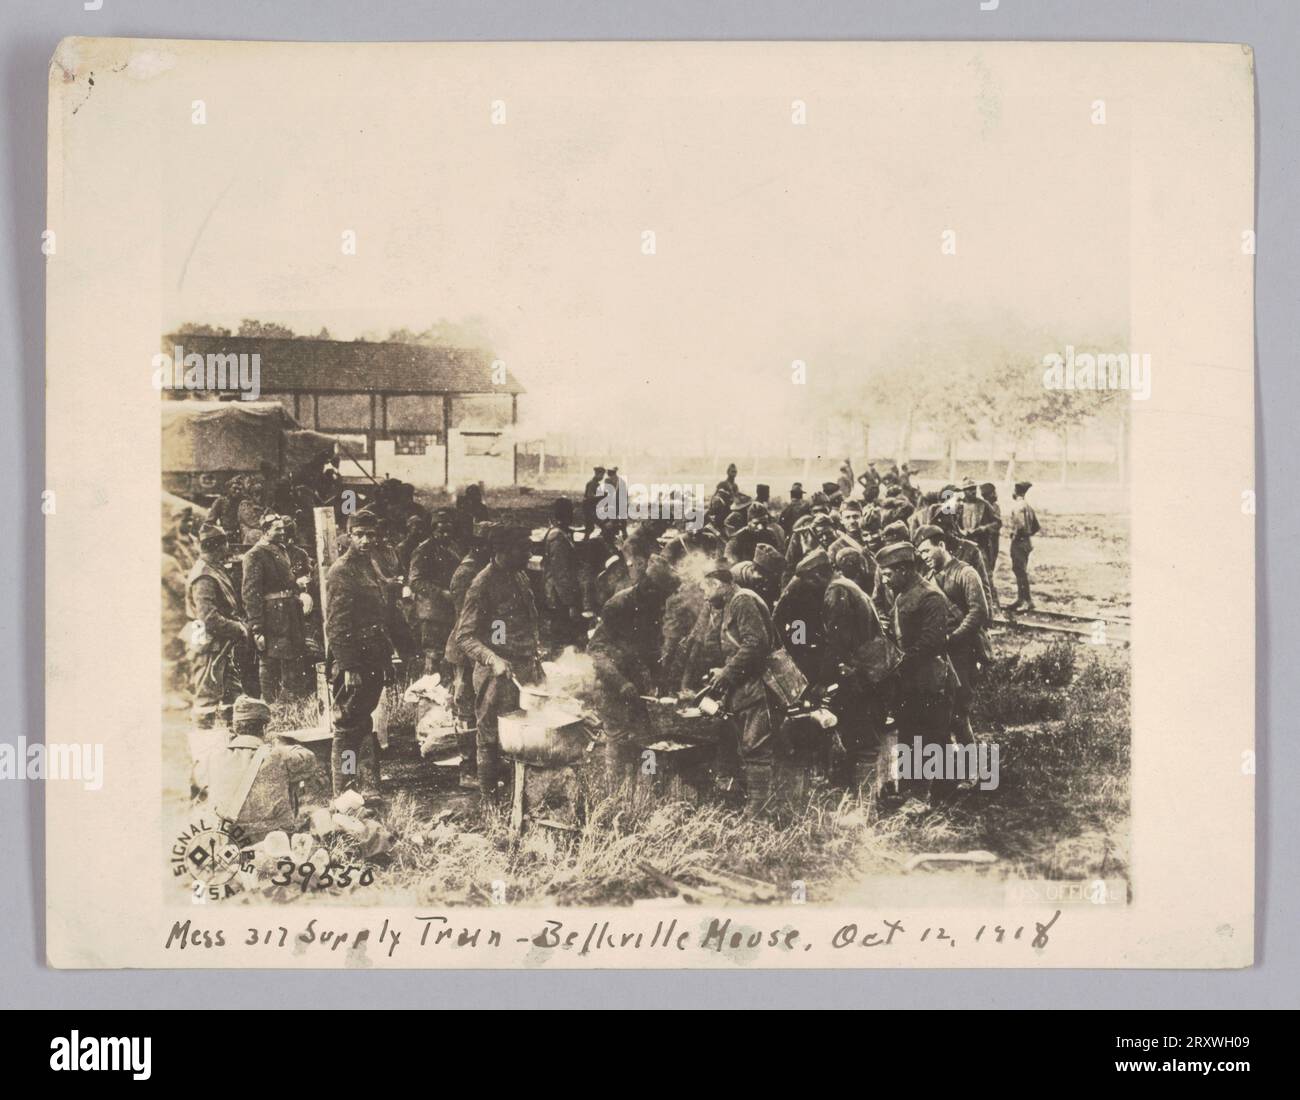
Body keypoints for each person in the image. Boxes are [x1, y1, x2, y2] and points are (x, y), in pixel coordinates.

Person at [451, 525, 544, 808]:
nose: (529, 553)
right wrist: (493, 659)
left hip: (525, 669)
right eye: (523, 548)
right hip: (496, 674)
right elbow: (464, 636)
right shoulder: (482, 584)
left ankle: (524, 796)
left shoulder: (520, 576)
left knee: (529, 734)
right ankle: (489, 802)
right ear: (503, 551)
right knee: (490, 737)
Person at [701, 564, 786, 813]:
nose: (704, 596)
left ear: (718, 585)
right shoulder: (732, 603)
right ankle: (753, 802)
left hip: (759, 686)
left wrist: (727, 673)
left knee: (756, 745)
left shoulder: (742, 601)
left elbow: (755, 644)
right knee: (748, 744)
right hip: (748, 685)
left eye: (705, 589)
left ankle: (759, 810)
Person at [877, 541, 958, 801]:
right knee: (913, 737)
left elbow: (931, 642)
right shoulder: (903, 594)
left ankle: (940, 797)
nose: (885, 580)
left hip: (930, 681)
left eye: (888, 574)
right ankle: (919, 794)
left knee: (932, 738)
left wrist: (898, 663)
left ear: (903, 570)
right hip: (911, 682)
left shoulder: (930, 597)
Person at [589, 557, 678, 787]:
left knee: (648, 740)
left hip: (635, 684)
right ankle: (613, 794)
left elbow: (650, 648)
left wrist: (659, 677)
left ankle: (647, 790)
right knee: (618, 740)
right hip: (611, 685)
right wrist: (621, 683)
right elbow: (596, 651)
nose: (663, 601)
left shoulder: (652, 605)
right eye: (661, 595)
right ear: (648, 587)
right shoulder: (618, 605)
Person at [191, 695, 326, 845]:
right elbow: (310, 759)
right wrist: (280, 744)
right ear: (264, 728)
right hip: (271, 840)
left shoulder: (213, 757)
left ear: (235, 728)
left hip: (229, 839)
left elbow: (199, 782)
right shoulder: (278, 755)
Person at [324, 510, 393, 799]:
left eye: (371, 534)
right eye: (359, 534)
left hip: (373, 655)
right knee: (347, 724)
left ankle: (368, 785)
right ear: (349, 536)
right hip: (353, 659)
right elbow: (337, 625)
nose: (366, 540)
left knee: (363, 719)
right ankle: (345, 789)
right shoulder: (342, 570)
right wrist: (349, 666)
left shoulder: (370, 565)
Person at [823, 548, 894, 786]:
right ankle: (863, 796)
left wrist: (834, 667)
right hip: (871, 669)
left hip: (860, 672)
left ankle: (864, 807)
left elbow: (838, 637)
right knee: (863, 734)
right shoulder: (850, 588)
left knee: (862, 738)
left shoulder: (837, 590)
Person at [916, 526, 990, 747]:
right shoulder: (929, 577)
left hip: (963, 652)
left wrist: (953, 638)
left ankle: (972, 773)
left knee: (959, 715)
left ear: (941, 545)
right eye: (920, 553)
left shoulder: (965, 573)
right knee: (942, 715)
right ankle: (952, 771)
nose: (924, 557)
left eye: (927, 551)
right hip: (941, 653)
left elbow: (978, 612)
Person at [185, 524, 253, 730]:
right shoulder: (204, 576)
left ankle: (230, 742)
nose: (228, 548)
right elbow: (209, 619)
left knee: (232, 695)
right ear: (218, 546)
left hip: (220, 646)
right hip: (209, 647)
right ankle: (205, 748)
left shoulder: (212, 568)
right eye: (225, 543)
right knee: (207, 701)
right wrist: (238, 628)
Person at [443, 526, 494, 788]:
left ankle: (482, 764)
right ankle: (468, 769)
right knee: (466, 706)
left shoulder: (484, 569)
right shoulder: (467, 573)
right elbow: (467, 622)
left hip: (479, 648)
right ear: (480, 546)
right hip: (465, 652)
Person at [241, 513, 307, 701]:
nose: (282, 532)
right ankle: (271, 705)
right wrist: (257, 627)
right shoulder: (255, 555)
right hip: (272, 616)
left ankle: (290, 704)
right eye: (277, 529)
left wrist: (297, 585)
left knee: (291, 659)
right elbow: (250, 594)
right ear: (265, 531)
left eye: (283, 528)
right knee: (269, 661)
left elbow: (285, 581)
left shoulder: (280, 549)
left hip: (289, 612)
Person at [408, 514, 461, 682]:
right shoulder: (423, 550)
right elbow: (415, 582)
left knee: (451, 653)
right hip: (431, 613)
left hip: (449, 609)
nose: (446, 535)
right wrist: (441, 593)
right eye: (441, 531)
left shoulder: (453, 547)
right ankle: (428, 696)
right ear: (433, 531)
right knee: (433, 656)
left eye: (449, 531)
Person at [773, 547, 832, 681]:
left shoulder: (826, 581)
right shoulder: (797, 585)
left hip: (817, 622)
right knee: (802, 657)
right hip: (799, 623)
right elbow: (778, 617)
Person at [543, 498, 584, 646]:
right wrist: (570, 603)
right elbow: (560, 574)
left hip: (561, 593)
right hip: (560, 595)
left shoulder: (561, 533)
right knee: (563, 634)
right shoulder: (557, 537)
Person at [1007, 480, 1041, 611]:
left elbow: (1020, 525)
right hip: (1026, 542)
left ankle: (1027, 601)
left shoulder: (1018, 507)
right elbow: (1036, 526)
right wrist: (1028, 534)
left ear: (1016, 492)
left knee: (1020, 571)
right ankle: (1021, 599)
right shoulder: (1028, 506)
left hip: (1019, 542)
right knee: (1020, 570)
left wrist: (1016, 535)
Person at [582, 466, 607, 533]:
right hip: (590, 509)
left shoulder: (596, 483)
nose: (602, 477)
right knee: (603, 526)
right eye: (601, 475)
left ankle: (585, 540)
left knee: (589, 528)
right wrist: (602, 495)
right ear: (597, 474)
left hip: (590, 508)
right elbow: (590, 496)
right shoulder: (592, 483)